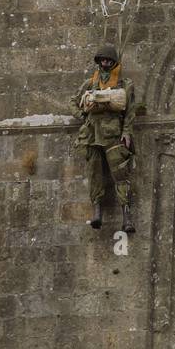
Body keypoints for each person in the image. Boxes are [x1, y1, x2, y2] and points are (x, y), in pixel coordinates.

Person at [72, 44, 136, 231]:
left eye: (109, 60)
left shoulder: (125, 84)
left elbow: (130, 112)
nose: (105, 62)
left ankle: (126, 216)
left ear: (114, 62)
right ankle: (97, 213)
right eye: (103, 60)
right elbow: (73, 102)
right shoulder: (90, 83)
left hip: (113, 134)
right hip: (91, 135)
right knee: (94, 174)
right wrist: (83, 115)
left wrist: (126, 133)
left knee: (120, 174)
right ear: (99, 62)